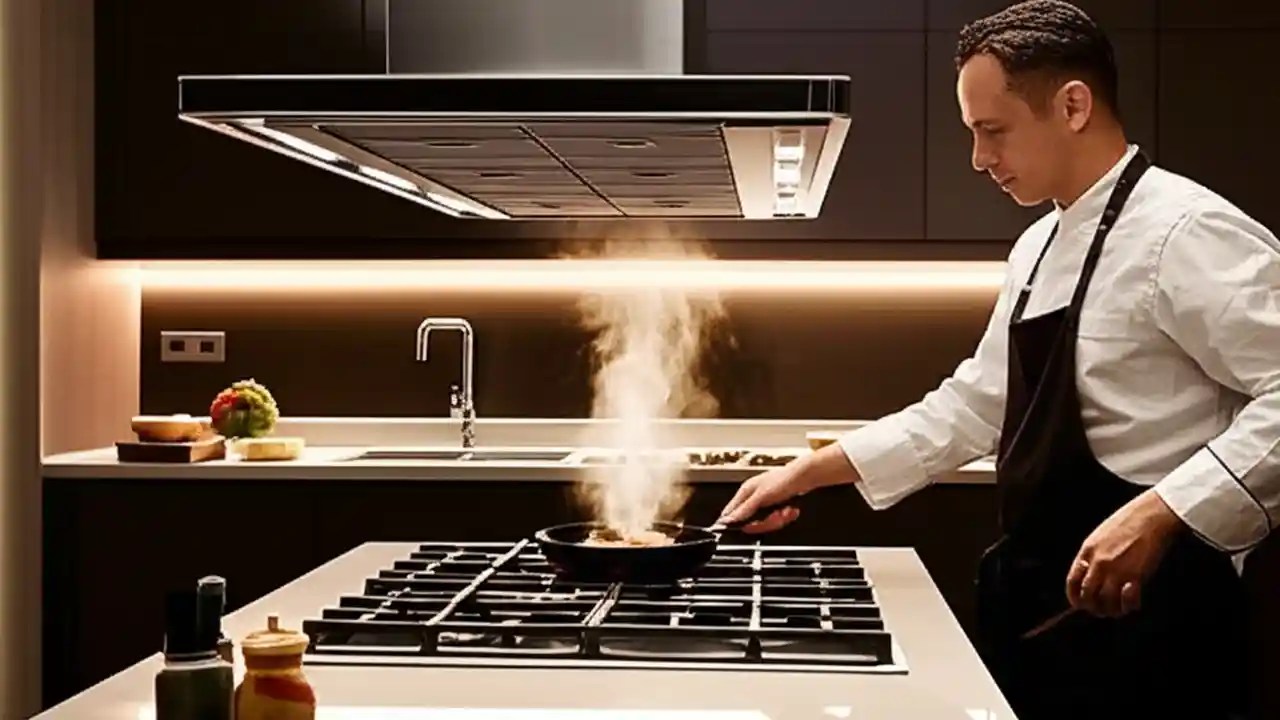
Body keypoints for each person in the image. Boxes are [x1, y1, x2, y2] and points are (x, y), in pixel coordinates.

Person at [718, 1, 1279, 718]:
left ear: (1073, 105)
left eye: (994, 132)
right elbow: (979, 403)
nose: (980, 159)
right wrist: (813, 470)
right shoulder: (1037, 246)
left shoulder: (1186, 231)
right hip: (1052, 608)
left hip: (1160, 617)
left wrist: (1162, 511)